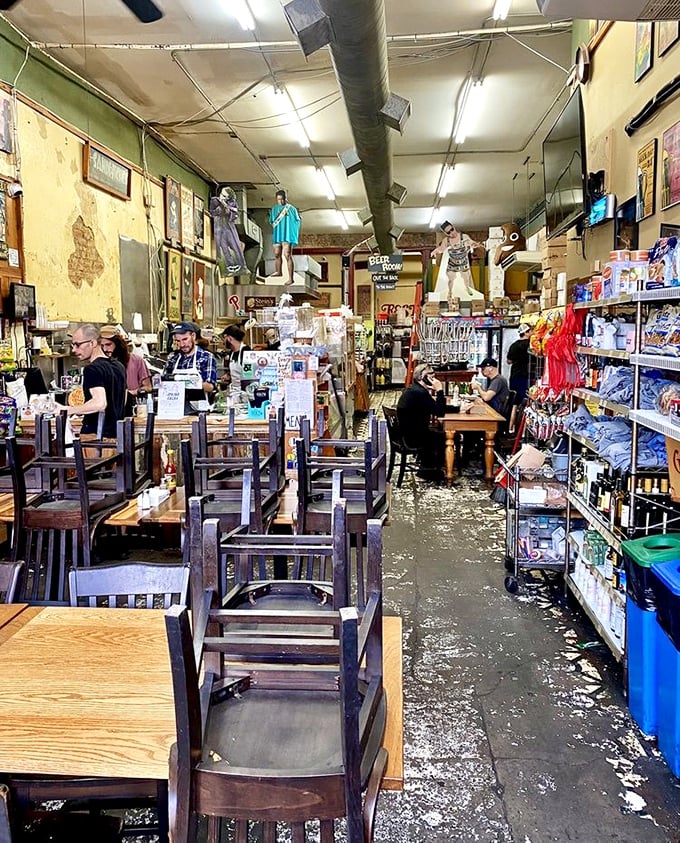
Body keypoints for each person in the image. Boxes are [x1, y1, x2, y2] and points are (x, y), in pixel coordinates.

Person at [66, 323, 126, 445]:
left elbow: (99, 403)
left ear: (92, 343)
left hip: (95, 438)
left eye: (77, 345)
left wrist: (68, 410)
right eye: (72, 345)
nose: (74, 350)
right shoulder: (119, 366)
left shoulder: (92, 369)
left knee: (90, 465)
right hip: (117, 438)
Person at [396, 363, 446, 476]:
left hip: (407, 434)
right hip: (414, 438)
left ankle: (428, 465)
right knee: (443, 436)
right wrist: (439, 390)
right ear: (420, 377)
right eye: (430, 375)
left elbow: (434, 407)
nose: (433, 377)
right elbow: (439, 412)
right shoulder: (420, 393)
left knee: (436, 432)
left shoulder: (414, 390)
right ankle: (430, 471)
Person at [432, 220, 484, 311]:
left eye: (452, 230)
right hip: (453, 260)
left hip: (463, 260)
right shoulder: (446, 240)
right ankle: (450, 292)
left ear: (453, 227)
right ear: (446, 233)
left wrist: (475, 245)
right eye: (449, 232)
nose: (452, 233)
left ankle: (467, 288)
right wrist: (435, 251)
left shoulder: (463, 237)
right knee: (451, 278)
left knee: (465, 277)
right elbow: (441, 248)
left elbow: (471, 243)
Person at [163, 321, 217, 396]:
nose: (182, 344)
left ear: (193, 336)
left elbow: (210, 386)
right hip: (176, 404)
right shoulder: (173, 358)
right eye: (178, 341)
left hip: (199, 406)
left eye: (185, 339)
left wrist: (186, 383)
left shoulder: (206, 357)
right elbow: (165, 382)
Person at [100, 326, 152, 397]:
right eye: (102, 346)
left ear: (118, 344)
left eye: (108, 345)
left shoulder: (137, 361)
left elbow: (148, 387)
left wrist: (129, 393)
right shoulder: (100, 364)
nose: (105, 349)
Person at [209, 185, 247, 277]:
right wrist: (218, 210)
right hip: (219, 227)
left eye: (226, 197)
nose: (223, 198)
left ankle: (241, 265)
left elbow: (235, 214)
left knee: (235, 245)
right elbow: (212, 212)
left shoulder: (232, 203)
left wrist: (228, 211)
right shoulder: (215, 200)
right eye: (222, 195)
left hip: (229, 227)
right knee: (223, 247)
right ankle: (229, 266)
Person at [269, 189, 301, 284]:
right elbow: (272, 221)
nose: (281, 201)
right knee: (277, 254)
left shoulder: (292, 209)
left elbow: (297, 221)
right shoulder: (274, 209)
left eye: (282, 199)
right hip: (278, 234)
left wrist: (292, 234)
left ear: (285, 198)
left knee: (287, 255)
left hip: (287, 235)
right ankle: (279, 271)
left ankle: (291, 278)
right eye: (278, 199)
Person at [221, 324, 251, 394]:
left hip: (244, 392)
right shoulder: (232, 352)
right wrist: (229, 376)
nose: (223, 342)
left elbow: (249, 376)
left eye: (224, 338)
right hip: (234, 391)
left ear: (230, 338)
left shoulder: (246, 352)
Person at [506, 323, 531, 404]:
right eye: (530, 331)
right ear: (526, 332)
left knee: (514, 401)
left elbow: (509, 361)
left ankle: (513, 416)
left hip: (515, 375)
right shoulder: (531, 345)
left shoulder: (514, 345)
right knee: (525, 400)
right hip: (527, 376)